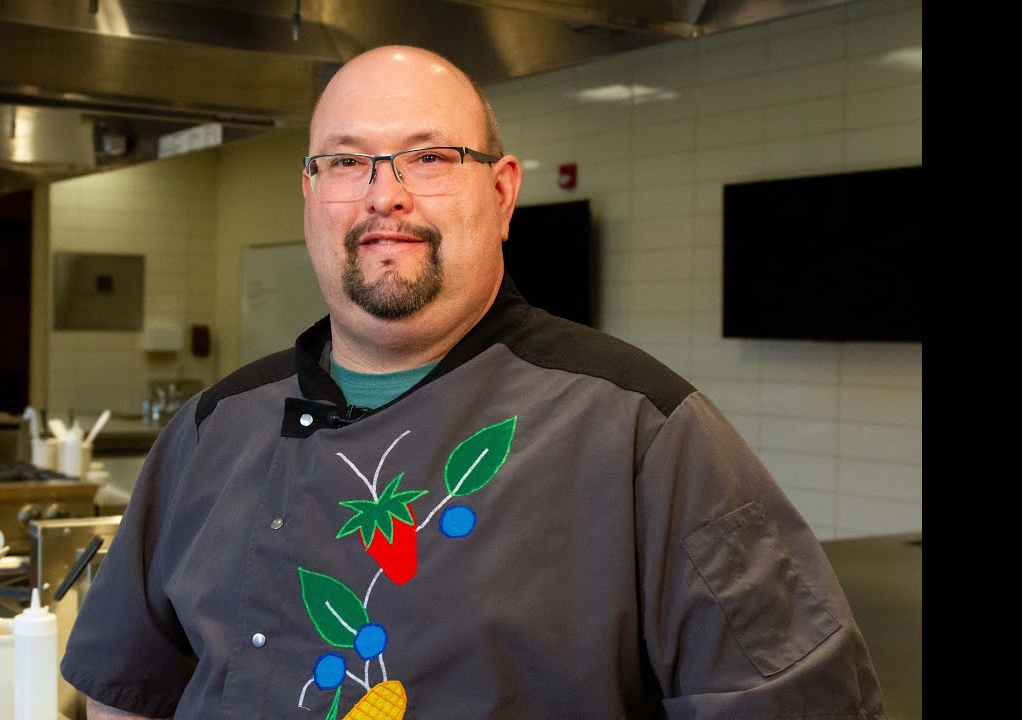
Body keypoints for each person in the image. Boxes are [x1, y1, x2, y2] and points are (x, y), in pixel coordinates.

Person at [60, 45, 888, 720]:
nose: (385, 195)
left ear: (501, 194)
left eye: (429, 157)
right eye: (347, 162)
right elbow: (128, 694)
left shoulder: (643, 433)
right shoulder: (214, 428)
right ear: (311, 195)